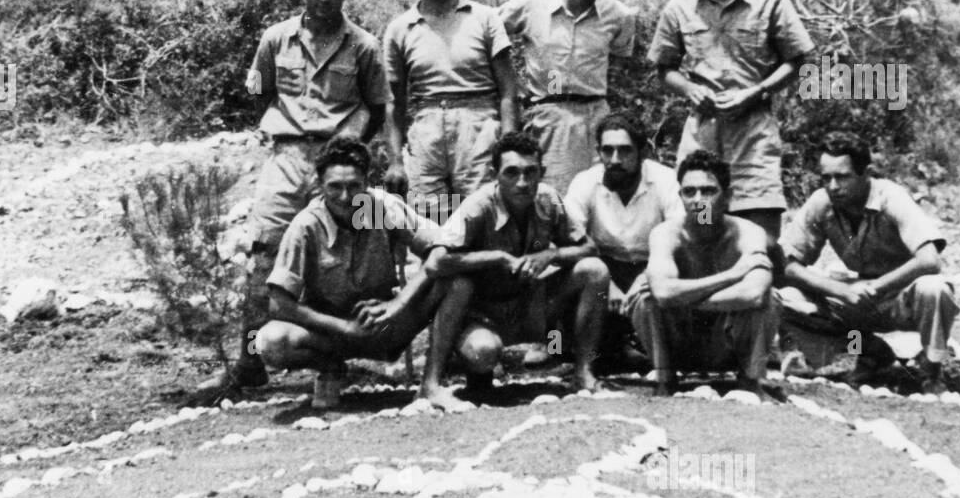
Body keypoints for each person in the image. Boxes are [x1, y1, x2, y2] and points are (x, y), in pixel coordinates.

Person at [189, 0, 405, 404]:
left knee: (353, 251)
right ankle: (249, 363)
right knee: (263, 258)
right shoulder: (275, 39)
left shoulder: (364, 45)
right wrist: (281, 132)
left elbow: (379, 105)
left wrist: (353, 146)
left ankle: (343, 347)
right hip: (286, 159)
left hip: (340, 163)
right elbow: (258, 91)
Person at [648, 0, 815, 248]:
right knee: (703, 227)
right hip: (702, 135)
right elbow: (664, 69)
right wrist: (690, 89)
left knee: (762, 239)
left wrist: (757, 91)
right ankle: (709, 296)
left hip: (753, 133)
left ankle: (759, 295)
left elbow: (797, 61)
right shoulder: (680, 7)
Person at [417, 130, 610, 411]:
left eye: (531, 172)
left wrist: (551, 254)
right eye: (512, 173)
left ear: (542, 172)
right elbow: (435, 263)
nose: (523, 182)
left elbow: (590, 249)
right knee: (481, 350)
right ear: (494, 173)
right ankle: (435, 384)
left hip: (530, 303)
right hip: (483, 313)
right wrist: (495, 257)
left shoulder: (548, 199)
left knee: (594, 270)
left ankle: (583, 372)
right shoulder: (477, 206)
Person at [254, 138, 444, 410]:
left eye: (354, 186)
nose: (345, 197)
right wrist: (345, 328)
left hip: (386, 322)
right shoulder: (306, 226)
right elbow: (278, 302)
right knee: (269, 341)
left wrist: (398, 304)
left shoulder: (380, 207)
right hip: (331, 333)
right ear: (320, 186)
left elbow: (441, 250)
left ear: (366, 182)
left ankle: (433, 382)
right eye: (335, 187)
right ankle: (330, 367)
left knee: (453, 279)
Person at [780, 130, 959, 391]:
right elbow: (787, 263)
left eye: (842, 177)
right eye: (826, 177)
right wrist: (841, 290)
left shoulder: (891, 196)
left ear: (866, 173)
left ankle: (931, 370)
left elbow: (929, 260)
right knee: (785, 298)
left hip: (900, 295)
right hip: (853, 297)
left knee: (935, 289)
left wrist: (877, 287)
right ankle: (871, 350)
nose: (833, 186)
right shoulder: (822, 201)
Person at [384, 0, 520, 224]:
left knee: (484, 217)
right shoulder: (400, 28)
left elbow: (509, 90)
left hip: (479, 129)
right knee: (430, 223)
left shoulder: (484, 17)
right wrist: (395, 160)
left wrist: (508, 146)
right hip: (426, 131)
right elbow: (393, 101)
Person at [629, 149, 779, 397]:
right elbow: (663, 293)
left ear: (728, 196)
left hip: (727, 344)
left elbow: (754, 293)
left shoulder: (749, 233)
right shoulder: (665, 233)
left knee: (770, 298)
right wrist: (731, 276)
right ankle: (665, 380)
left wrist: (685, 299)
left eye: (708, 191)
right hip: (680, 342)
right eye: (689, 192)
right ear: (680, 197)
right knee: (646, 295)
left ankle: (750, 379)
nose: (699, 200)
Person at [500, 0, 639, 195]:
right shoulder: (531, 4)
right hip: (551, 116)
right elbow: (489, 38)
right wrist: (513, 87)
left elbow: (620, 63)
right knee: (557, 200)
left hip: (598, 116)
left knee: (603, 197)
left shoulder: (618, 15)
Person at [563, 112, 683, 303]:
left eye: (625, 150)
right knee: (591, 270)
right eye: (608, 150)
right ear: (598, 151)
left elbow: (680, 238)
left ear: (642, 152)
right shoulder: (584, 182)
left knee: (653, 292)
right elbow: (571, 240)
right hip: (606, 270)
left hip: (653, 267)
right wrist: (609, 287)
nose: (615, 160)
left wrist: (647, 277)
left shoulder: (666, 180)